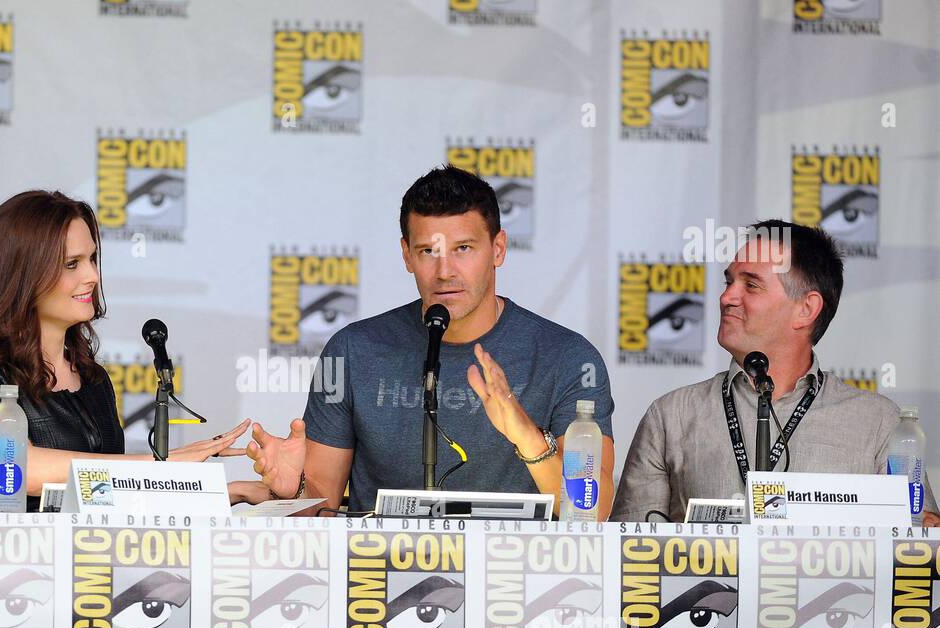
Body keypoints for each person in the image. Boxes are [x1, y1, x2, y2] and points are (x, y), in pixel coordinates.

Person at [246, 166, 617, 516]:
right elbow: (321, 509)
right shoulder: (352, 351)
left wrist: (526, 435)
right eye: (428, 252)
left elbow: (592, 511)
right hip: (378, 575)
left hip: (518, 578)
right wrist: (291, 491)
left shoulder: (568, 358)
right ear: (407, 254)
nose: (445, 272)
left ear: (498, 249)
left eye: (463, 249)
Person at [0, 190, 259, 512]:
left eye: (92, 259)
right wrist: (162, 463)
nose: (92, 276)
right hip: (14, 560)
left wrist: (232, 491)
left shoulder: (93, 378)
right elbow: (20, 470)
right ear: (21, 275)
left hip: (93, 558)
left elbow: (112, 493)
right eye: (71, 264)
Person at [613, 220, 939, 525]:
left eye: (751, 285)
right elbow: (630, 554)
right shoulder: (671, 416)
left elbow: (914, 555)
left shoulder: (880, 423)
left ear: (806, 309)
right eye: (729, 281)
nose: (726, 297)